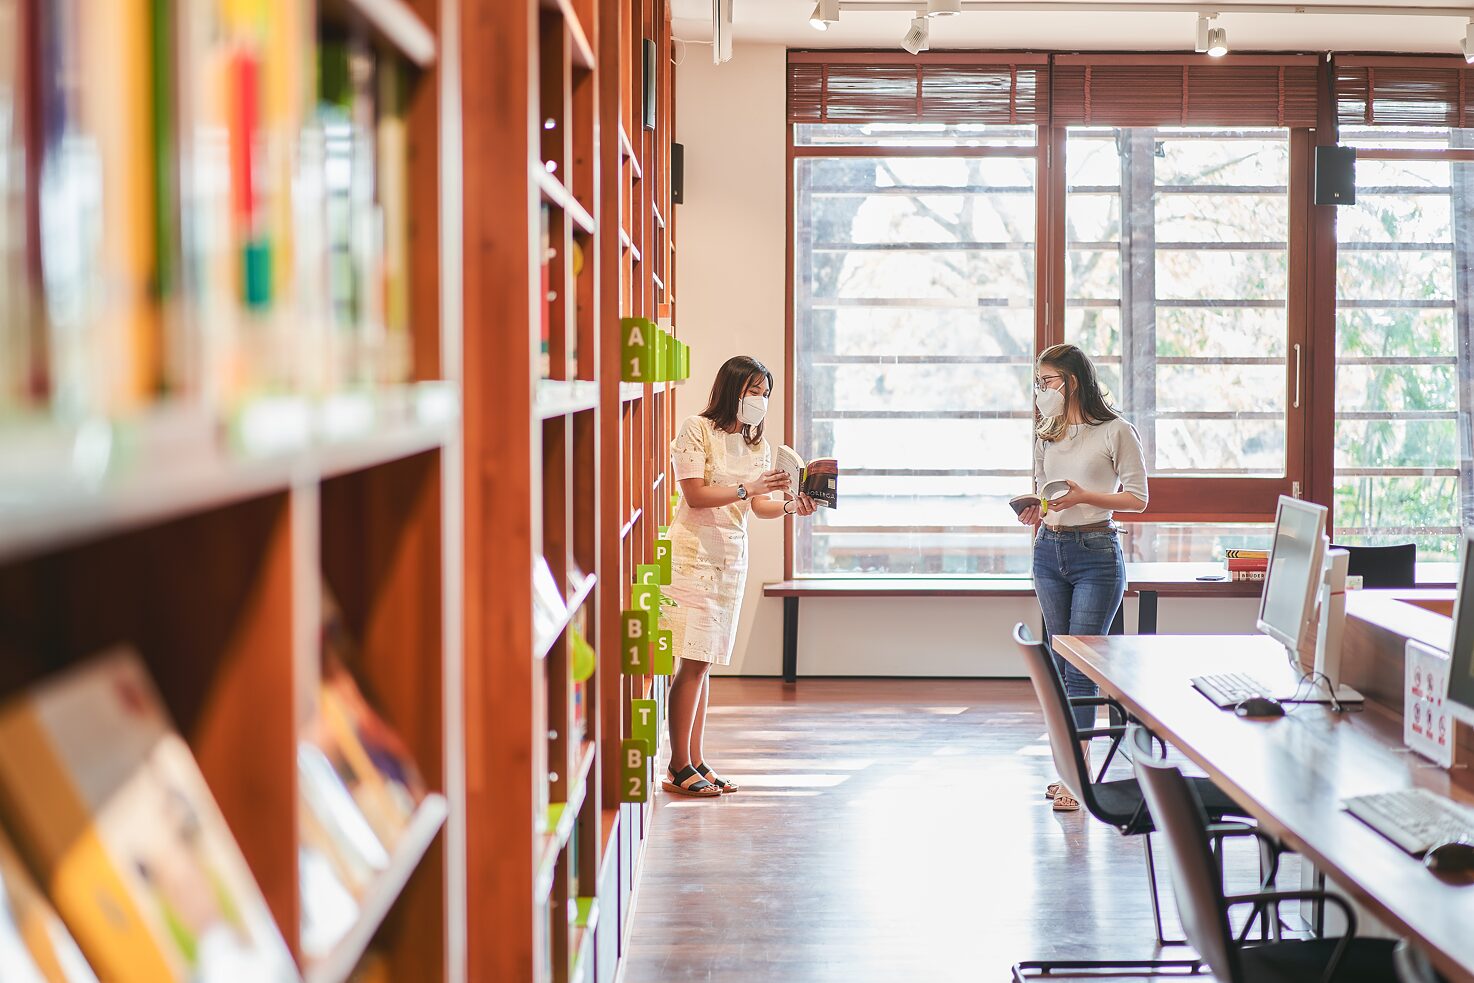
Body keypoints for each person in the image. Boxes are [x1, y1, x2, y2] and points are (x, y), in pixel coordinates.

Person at [661, 356, 818, 797]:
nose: (760, 401)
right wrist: (751, 487)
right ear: (732, 389)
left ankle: (696, 759)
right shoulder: (696, 429)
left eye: (765, 394)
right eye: (753, 392)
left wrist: (790, 505)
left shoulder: (756, 445)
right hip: (692, 557)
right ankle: (678, 766)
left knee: (705, 662)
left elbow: (758, 507)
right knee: (692, 662)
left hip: (730, 560)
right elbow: (695, 495)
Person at [1016, 343, 1148, 813]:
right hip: (1048, 551)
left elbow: (1138, 498)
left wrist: (1084, 496)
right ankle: (1071, 770)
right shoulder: (1045, 434)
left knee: (1080, 668)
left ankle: (1076, 777)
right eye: (1038, 383)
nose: (1041, 391)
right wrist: (1037, 509)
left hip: (1097, 554)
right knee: (1059, 662)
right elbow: (1045, 494)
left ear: (1072, 381)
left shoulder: (1116, 431)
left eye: (1047, 382)